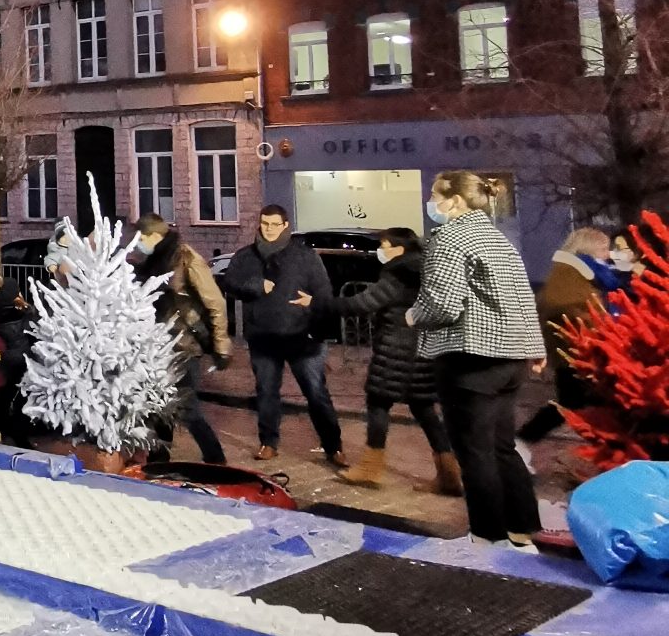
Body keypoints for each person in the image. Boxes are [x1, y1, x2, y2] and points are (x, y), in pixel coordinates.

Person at [410, 170, 547, 545]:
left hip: (470, 359)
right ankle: (522, 530)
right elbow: (522, 298)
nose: (432, 204)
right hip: (509, 361)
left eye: (436, 196)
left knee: (475, 452)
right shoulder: (498, 238)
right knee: (502, 446)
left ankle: (487, 537)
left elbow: (443, 302)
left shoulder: (451, 237)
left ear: (454, 200)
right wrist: (534, 347)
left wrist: (413, 314)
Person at [222, 204, 347, 470]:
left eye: (274, 225)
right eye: (264, 224)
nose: (268, 229)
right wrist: (256, 285)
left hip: (302, 337)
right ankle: (268, 442)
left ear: (285, 226)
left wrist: (313, 306)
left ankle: (333, 446)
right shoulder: (246, 256)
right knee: (266, 391)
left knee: (316, 393)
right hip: (264, 336)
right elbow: (230, 283)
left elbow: (324, 293)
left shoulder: (304, 256)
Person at [334, 228, 459, 494]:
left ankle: (371, 467)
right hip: (424, 352)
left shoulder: (398, 274)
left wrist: (319, 303)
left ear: (399, 248)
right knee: (425, 410)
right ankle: (449, 474)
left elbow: (363, 303)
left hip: (396, 351)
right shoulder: (428, 270)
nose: (381, 250)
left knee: (378, 402)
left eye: (384, 245)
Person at [130, 214, 230, 469]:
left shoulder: (185, 258)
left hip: (184, 344)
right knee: (158, 404)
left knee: (187, 407)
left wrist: (221, 345)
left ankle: (215, 459)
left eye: (142, 237)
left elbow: (215, 302)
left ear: (155, 235)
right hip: (157, 345)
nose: (139, 242)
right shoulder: (152, 260)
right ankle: (159, 458)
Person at [518, 226, 619, 449]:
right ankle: (521, 442)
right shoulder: (571, 273)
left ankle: (522, 441)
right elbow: (560, 306)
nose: (608, 254)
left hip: (582, 352)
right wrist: (600, 325)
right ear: (589, 248)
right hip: (574, 353)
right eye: (603, 248)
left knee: (579, 405)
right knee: (572, 405)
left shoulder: (583, 272)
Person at [0, 286, 34, 445]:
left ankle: (3, 430)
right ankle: (20, 436)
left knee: (5, 399)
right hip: (23, 362)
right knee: (20, 400)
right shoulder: (24, 314)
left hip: (3, 362)